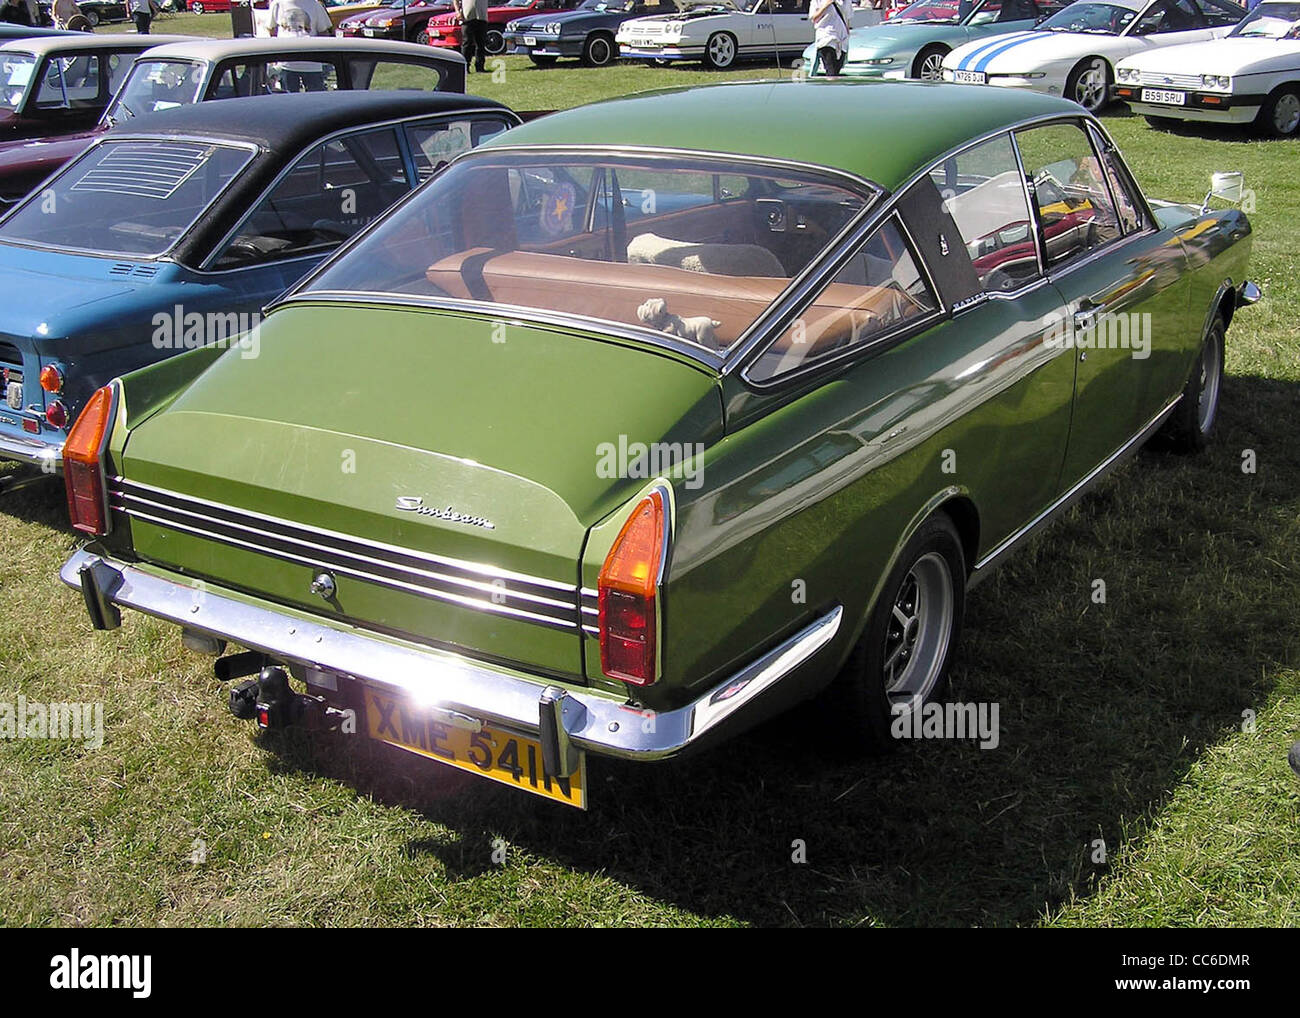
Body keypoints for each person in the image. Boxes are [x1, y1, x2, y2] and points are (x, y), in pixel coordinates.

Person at [268, 0, 333, 91]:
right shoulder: (277, 4)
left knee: (316, 101)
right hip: (286, 64)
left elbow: (323, 32)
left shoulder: (315, 5)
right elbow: (271, 30)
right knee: (289, 101)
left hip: (312, 64)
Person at [810, 0, 852, 77]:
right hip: (827, 38)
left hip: (842, 40)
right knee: (831, 70)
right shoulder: (817, 1)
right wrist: (826, 5)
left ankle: (832, 87)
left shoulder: (846, 1)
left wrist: (847, 33)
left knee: (837, 70)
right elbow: (814, 18)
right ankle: (831, 87)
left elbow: (847, 19)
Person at [459, 0, 489, 74]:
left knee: (481, 44)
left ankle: (480, 67)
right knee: (467, 43)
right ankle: (465, 68)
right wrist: (457, 12)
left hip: (482, 17)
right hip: (467, 17)